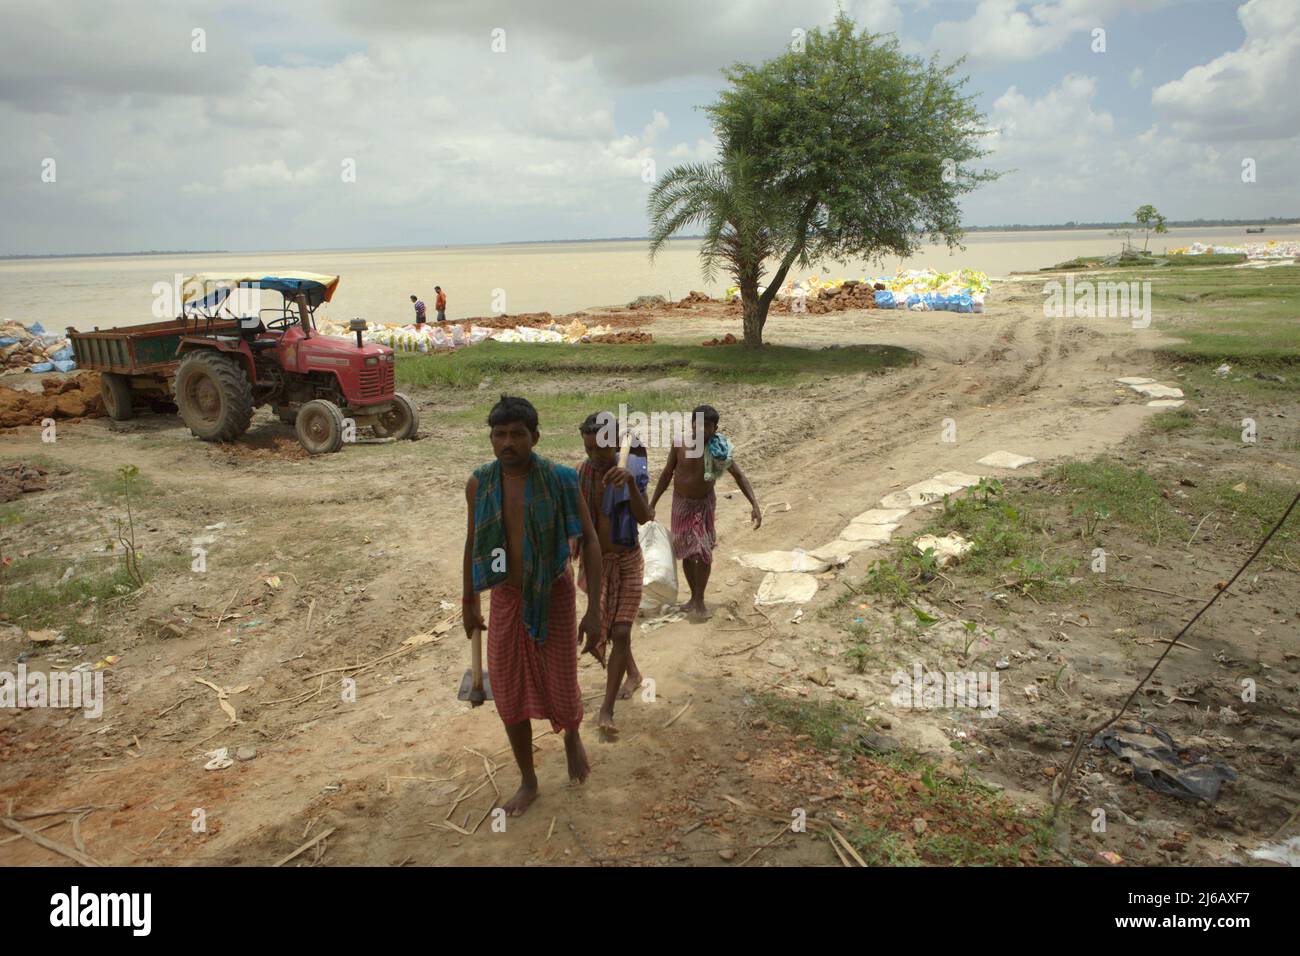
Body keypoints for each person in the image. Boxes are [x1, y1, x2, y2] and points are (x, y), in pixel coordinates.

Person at [462, 395, 603, 815]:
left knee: (561, 684)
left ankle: (571, 734)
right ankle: (528, 780)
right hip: (506, 596)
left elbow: (591, 542)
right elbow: (473, 542)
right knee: (506, 691)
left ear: (534, 437)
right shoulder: (480, 483)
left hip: (554, 593)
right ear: (491, 439)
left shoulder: (560, 480)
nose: (508, 442)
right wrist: (469, 598)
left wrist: (595, 609)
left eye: (517, 434)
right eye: (499, 434)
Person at [575, 411, 653, 735]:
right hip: (597, 565)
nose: (596, 456)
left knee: (620, 631)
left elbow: (645, 516)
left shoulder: (631, 470)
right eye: (589, 449)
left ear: (616, 444)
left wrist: (631, 483)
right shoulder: (582, 474)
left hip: (628, 560)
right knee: (607, 627)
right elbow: (576, 521)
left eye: (602, 449)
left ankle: (606, 709)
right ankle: (633, 674)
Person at [648, 404, 760, 618]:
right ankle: (693, 597)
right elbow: (666, 474)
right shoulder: (679, 444)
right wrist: (652, 504)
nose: (701, 430)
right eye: (697, 425)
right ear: (691, 423)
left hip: (704, 504)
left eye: (707, 426)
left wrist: (754, 504)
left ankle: (700, 599)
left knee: (704, 551)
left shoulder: (718, 449)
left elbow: (739, 475)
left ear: (715, 428)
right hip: (681, 504)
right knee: (687, 552)